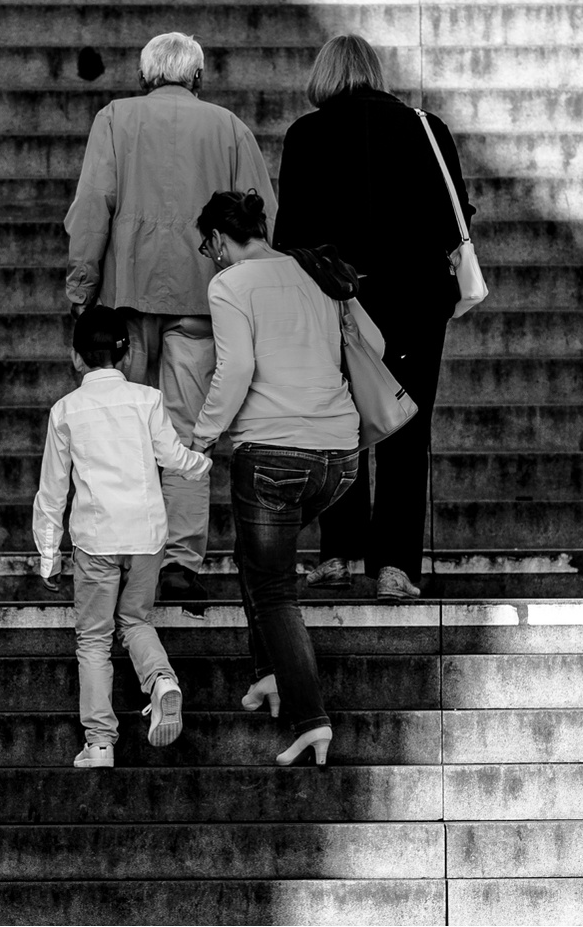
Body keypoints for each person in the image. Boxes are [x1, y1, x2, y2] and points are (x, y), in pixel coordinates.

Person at [64, 31, 278, 609]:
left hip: (125, 301)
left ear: (145, 77)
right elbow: (262, 217)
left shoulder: (114, 120)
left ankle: (126, 553)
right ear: (198, 79)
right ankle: (182, 560)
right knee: (185, 434)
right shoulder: (229, 127)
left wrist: (82, 285)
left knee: (122, 429)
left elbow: (92, 208)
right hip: (203, 303)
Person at [273, 34, 475, 601]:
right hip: (414, 304)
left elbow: (289, 237)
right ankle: (396, 566)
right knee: (407, 429)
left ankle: (338, 554)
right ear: (374, 72)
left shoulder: (306, 135)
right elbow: (452, 218)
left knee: (340, 425)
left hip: (336, 305)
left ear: (326, 74)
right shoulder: (426, 128)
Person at [190, 190, 360, 766]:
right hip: (340, 456)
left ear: (217, 239)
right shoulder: (314, 269)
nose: (209, 257)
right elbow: (377, 345)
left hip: (273, 458)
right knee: (257, 559)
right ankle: (267, 672)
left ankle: (310, 718)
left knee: (273, 589)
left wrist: (201, 433)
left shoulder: (229, 284)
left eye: (206, 246)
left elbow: (235, 368)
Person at [32, 308, 212, 768]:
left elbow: (52, 490)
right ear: (128, 354)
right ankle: (162, 681)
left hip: (96, 539)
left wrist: (49, 556)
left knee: (94, 641)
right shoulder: (148, 399)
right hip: (147, 535)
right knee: (135, 621)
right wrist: (201, 463)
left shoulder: (65, 411)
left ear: (75, 357)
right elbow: (171, 456)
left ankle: (100, 744)